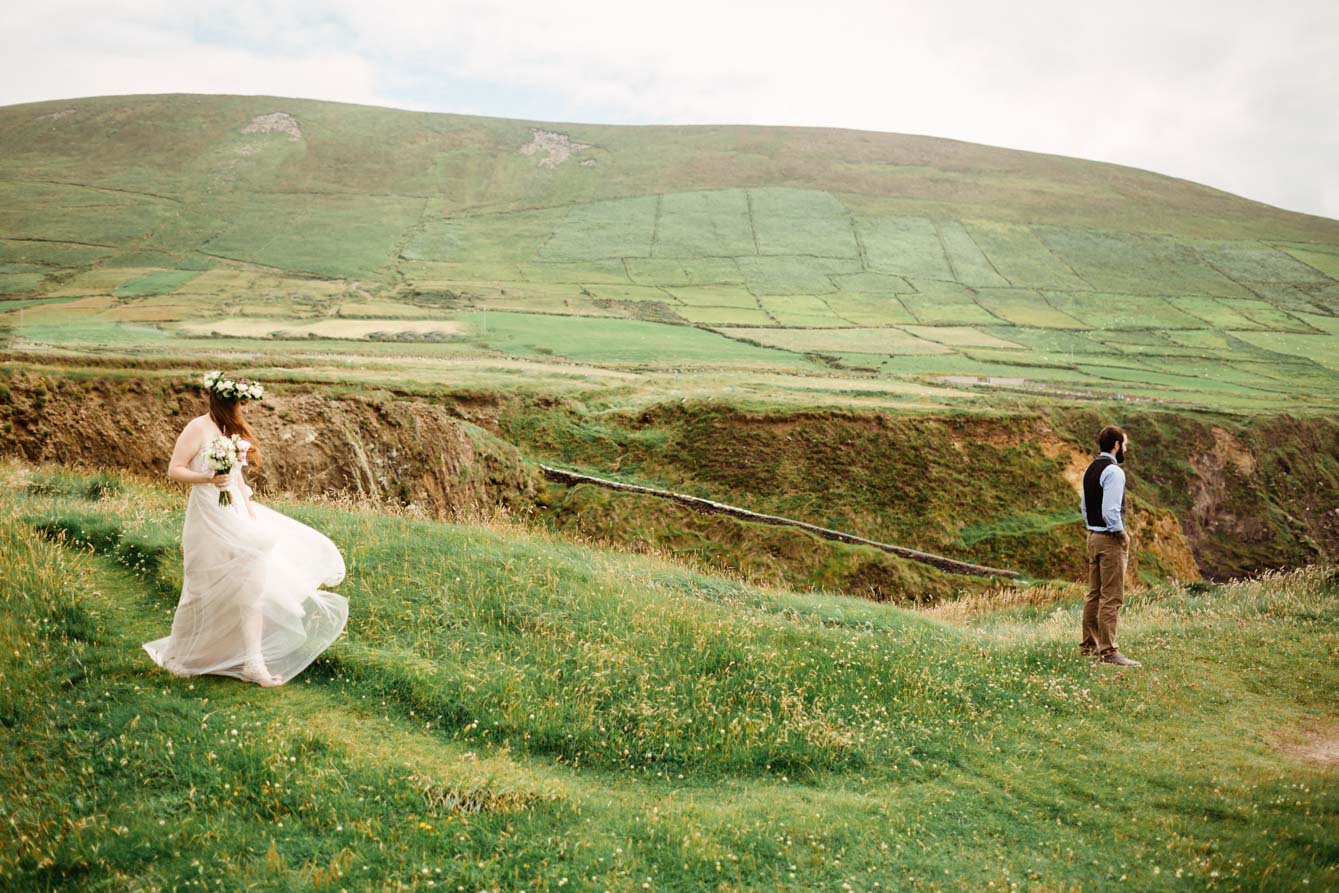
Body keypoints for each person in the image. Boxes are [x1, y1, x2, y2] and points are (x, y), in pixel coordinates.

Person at [143, 371, 348, 687]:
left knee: (252, 585)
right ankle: (186, 657)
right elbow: (175, 470)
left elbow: (237, 479)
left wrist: (251, 517)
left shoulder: (229, 432)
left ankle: (253, 661)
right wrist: (207, 479)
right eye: (239, 402)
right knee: (201, 586)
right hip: (206, 516)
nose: (243, 408)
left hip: (234, 513)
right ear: (225, 401)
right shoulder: (197, 428)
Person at [1079, 425, 1140, 667]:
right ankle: (1108, 651)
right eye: (1124, 444)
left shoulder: (1090, 469)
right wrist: (1121, 534)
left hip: (1093, 536)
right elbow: (1111, 510)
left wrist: (1092, 527)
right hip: (1109, 540)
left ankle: (1089, 645)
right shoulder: (1114, 472)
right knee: (1111, 596)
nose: (1125, 448)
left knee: (1094, 594)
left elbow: (1085, 506)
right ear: (1115, 445)